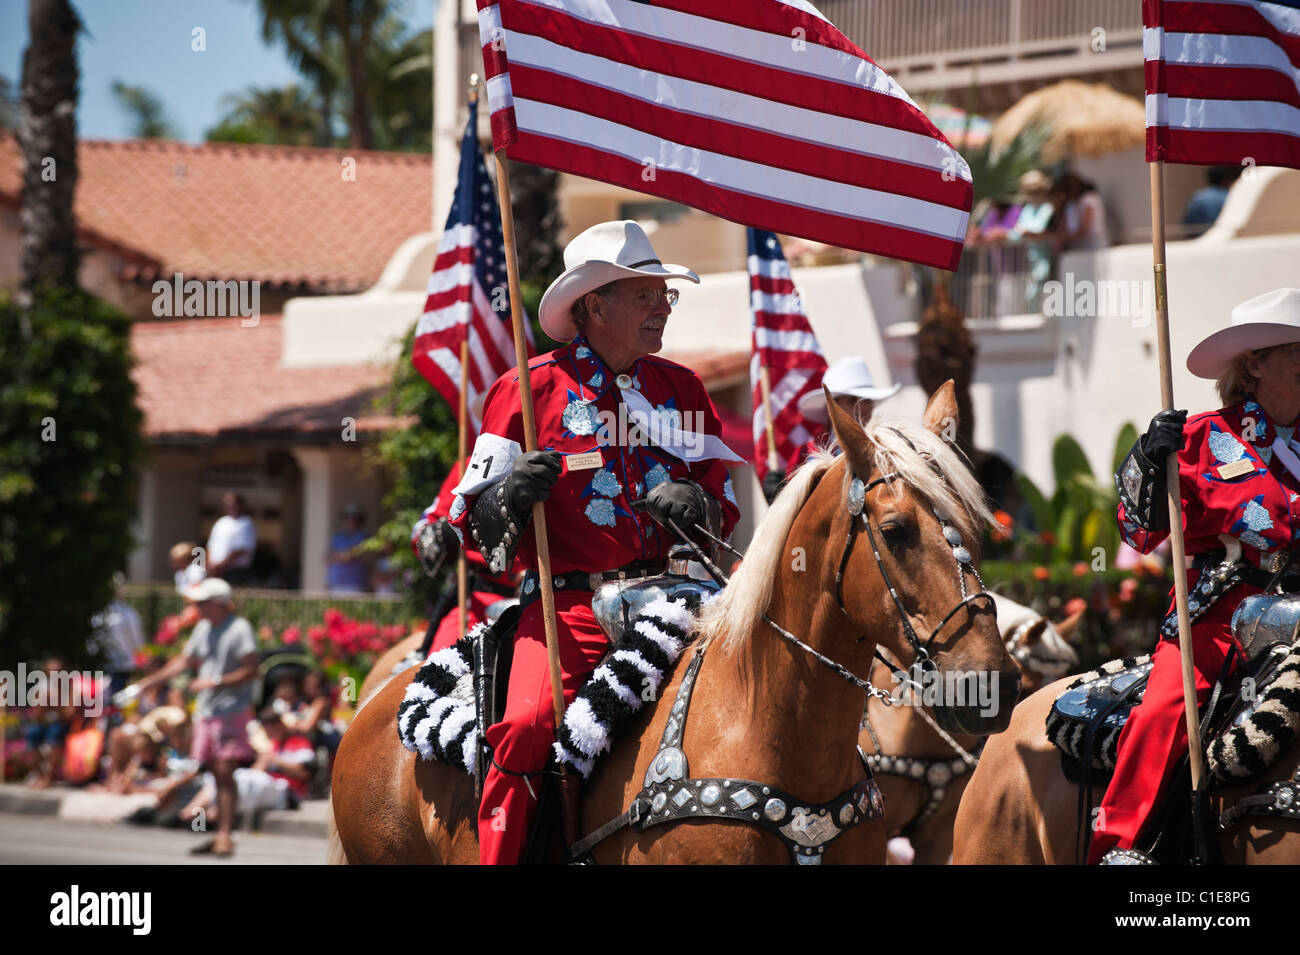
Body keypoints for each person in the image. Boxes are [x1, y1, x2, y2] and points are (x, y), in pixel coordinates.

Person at [450, 220, 742, 865]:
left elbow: (722, 506)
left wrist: (699, 507)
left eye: (666, 296)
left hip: (686, 601)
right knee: (526, 728)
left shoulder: (683, 390)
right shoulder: (525, 390)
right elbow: (469, 524)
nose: (663, 308)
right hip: (569, 612)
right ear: (594, 305)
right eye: (646, 295)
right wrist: (506, 497)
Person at [1090, 287, 1300, 863]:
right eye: (1297, 352)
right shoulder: (1204, 438)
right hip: (1226, 618)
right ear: (1254, 364)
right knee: (1166, 709)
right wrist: (1148, 463)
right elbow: (1139, 533)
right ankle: (1122, 847)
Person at [128, 577, 259, 857]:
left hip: (231, 711)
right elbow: (184, 662)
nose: (198, 607)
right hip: (207, 711)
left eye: (203, 603)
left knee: (224, 771)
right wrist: (149, 681)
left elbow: (252, 669)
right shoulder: (202, 628)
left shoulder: (239, 629)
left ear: (219, 604)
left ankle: (224, 835)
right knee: (213, 771)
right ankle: (220, 833)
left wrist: (214, 681)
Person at [412, 458, 521, 655]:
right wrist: (450, 528)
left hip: (552, 603)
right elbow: (422, 538)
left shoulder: (563, 455)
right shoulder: (474, 463)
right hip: (477, 606)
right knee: (436, 675)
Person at [762, 357, 900, 503]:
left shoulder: (885, 451)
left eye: (868, 401)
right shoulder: (808, 454)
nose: (863, 407)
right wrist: (783, 497)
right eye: (853, 400)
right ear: (831, 406)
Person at [206, 493, 256, 586]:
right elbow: (210, 546)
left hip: (235, 572)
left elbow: (241, 550)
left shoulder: (246, 523)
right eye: (227, 503)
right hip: (216, 571)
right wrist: (210, 566)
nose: (230, 506)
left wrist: (220, 566)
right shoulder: (221, 522)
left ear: (241, 505)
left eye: (233, 504)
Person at [1183, 166, 1243, 237]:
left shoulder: (1198, 197)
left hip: (1200, 239)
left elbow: (1188, 223)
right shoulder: (1231, 197)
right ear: (1225, 180)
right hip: (1225, 238)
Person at [327, 504, 370, 593]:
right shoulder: (338, 537)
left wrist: (345, 555)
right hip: (336, 584)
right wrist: (344, 555)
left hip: (355, 585)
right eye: (348, 517)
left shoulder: (363, 536)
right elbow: (328, 557)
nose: (351, 521)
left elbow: (353, 555)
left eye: (354, 518)